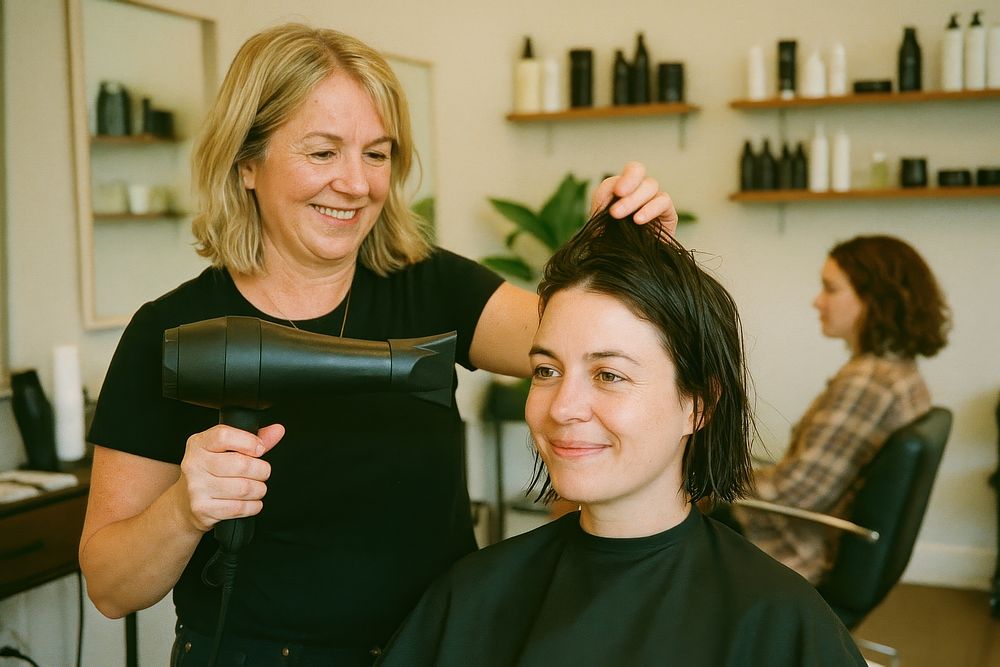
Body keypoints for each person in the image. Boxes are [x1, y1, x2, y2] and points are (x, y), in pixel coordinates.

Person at [77, 23, 678, 666]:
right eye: (322, 152)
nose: (357, 184)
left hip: (437, 649)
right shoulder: (171, 334)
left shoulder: (435, 288)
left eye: (377, 153)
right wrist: (184, 510)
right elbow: (111, 588)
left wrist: (631, 257)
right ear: (246, 162)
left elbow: (597, 347)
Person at [377, 209, 866, 666]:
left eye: (609, 375)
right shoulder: (472, 595)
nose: (562, 407)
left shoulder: (779, 619)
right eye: (546, 370)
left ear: (698, 404)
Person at [726, 234, 951, 585]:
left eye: (830, 289)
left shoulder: (869, 383)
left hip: (795, 551)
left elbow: (796, 489)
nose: (818, 302)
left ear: (875, 300)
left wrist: (710, 476)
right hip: (824, 538)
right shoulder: (902, 373)